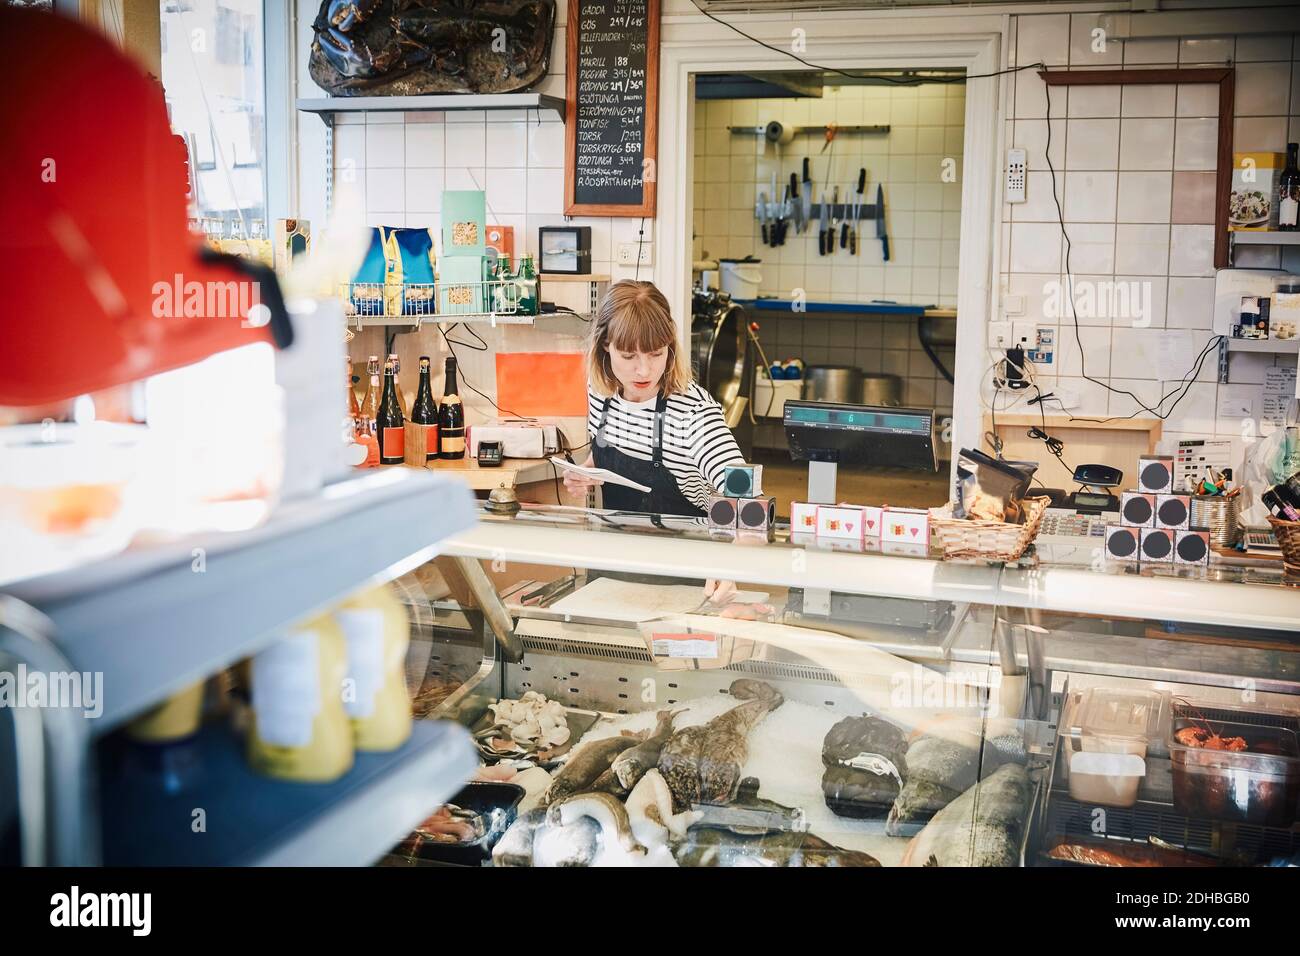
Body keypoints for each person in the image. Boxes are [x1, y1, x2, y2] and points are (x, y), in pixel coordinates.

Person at [562, 279, 767, 615]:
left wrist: (732, 567)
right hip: (615, 575)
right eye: (628, 355)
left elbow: (754, 507)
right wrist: (587, 471)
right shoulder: (601, 391)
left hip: (687, 582)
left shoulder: (694, 414)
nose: (644, 370)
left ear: (670, 347)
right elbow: (609, 451)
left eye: (656, 353)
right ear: (605, 348)